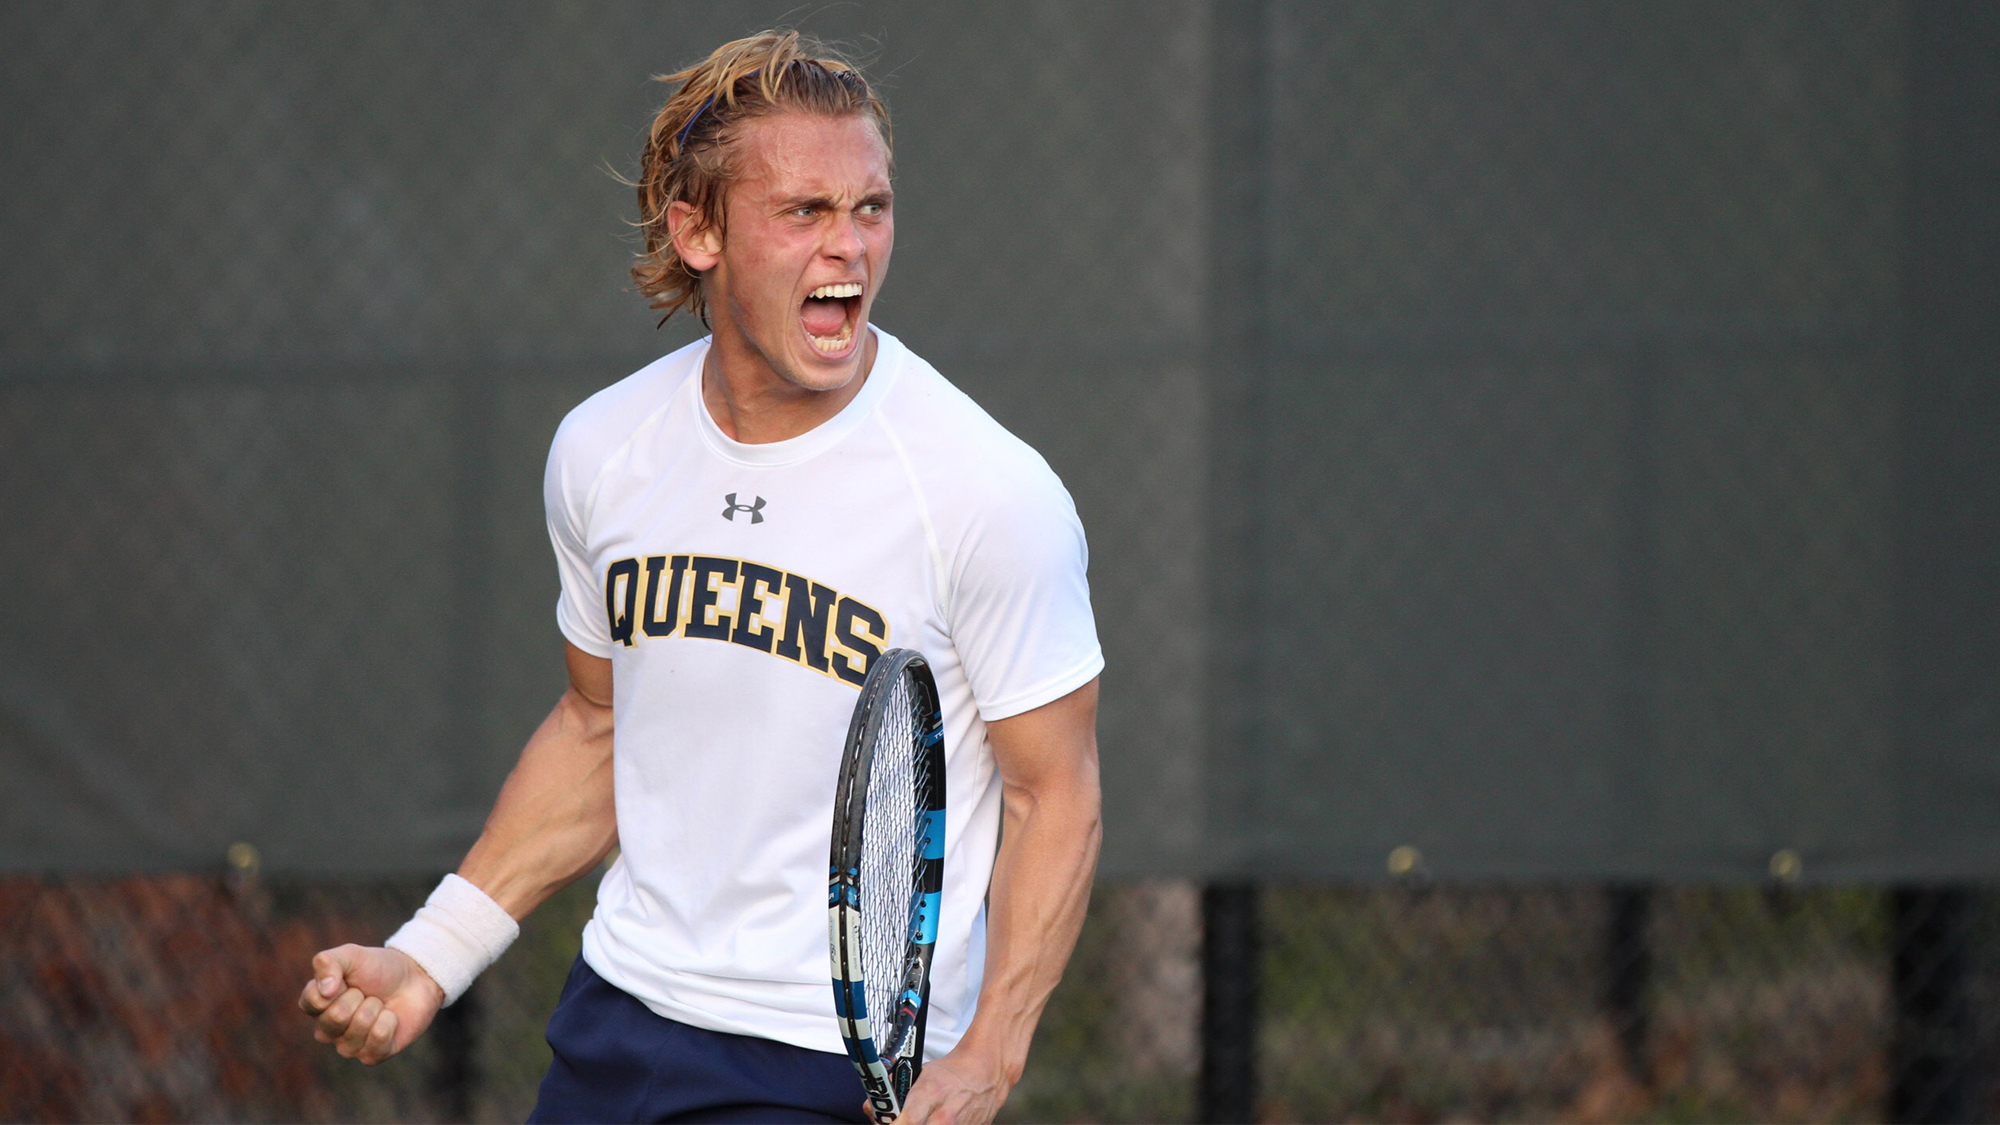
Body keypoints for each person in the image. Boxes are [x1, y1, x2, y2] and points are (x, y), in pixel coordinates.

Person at [298, 29, 1103, 1125]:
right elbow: (598, 729)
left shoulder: (985, 492)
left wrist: (990, 1052)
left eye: (870, 207)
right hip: (613, 1023)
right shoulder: (603, 450)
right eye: (804, 211)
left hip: (823, 1068)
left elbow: (1053, 793)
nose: (849, 247)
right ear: (697, 232)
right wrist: (432, 953)